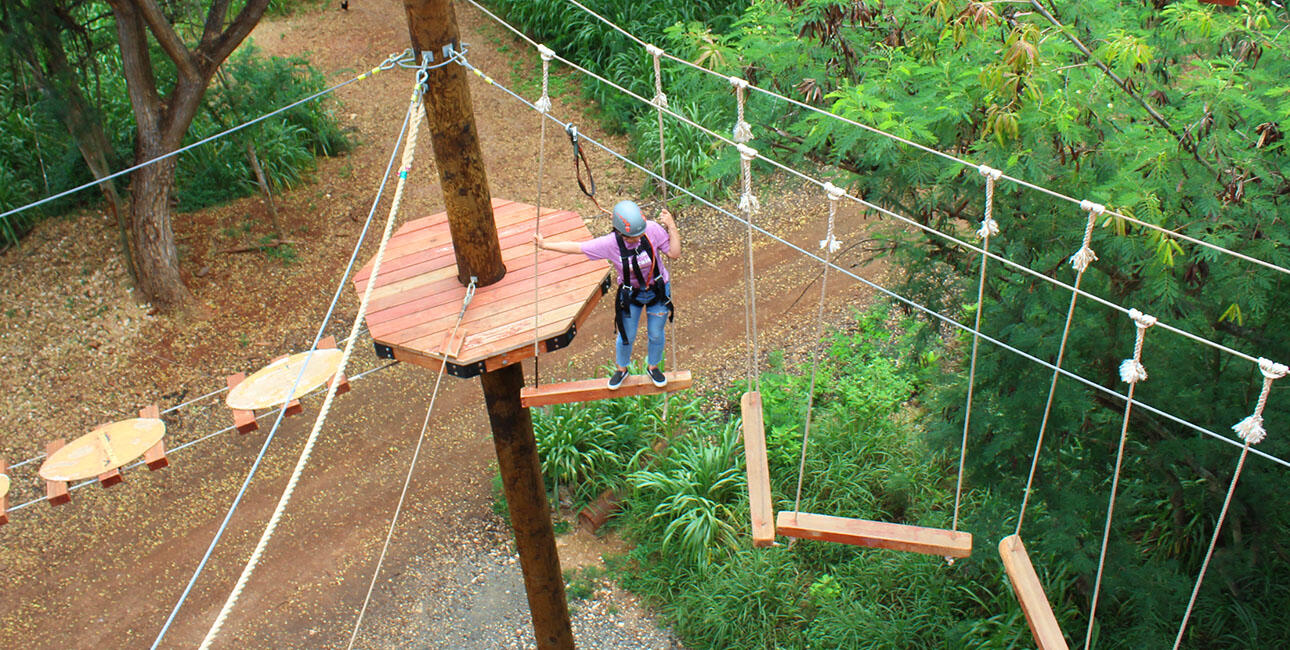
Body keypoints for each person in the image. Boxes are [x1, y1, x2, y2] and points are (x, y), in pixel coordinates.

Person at [536, 200, 681, 389]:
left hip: (658, 290)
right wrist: (545, 245)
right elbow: (578, 247)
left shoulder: (652, 230)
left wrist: (671, 226)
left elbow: (674, 253)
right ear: (620, 232)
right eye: (631, 237)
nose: (637, 239)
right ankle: (622, 369)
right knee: (626, 334)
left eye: (639, 234)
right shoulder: (610, 244)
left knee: (655, 333)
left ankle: (653, 367)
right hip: (631, 294)